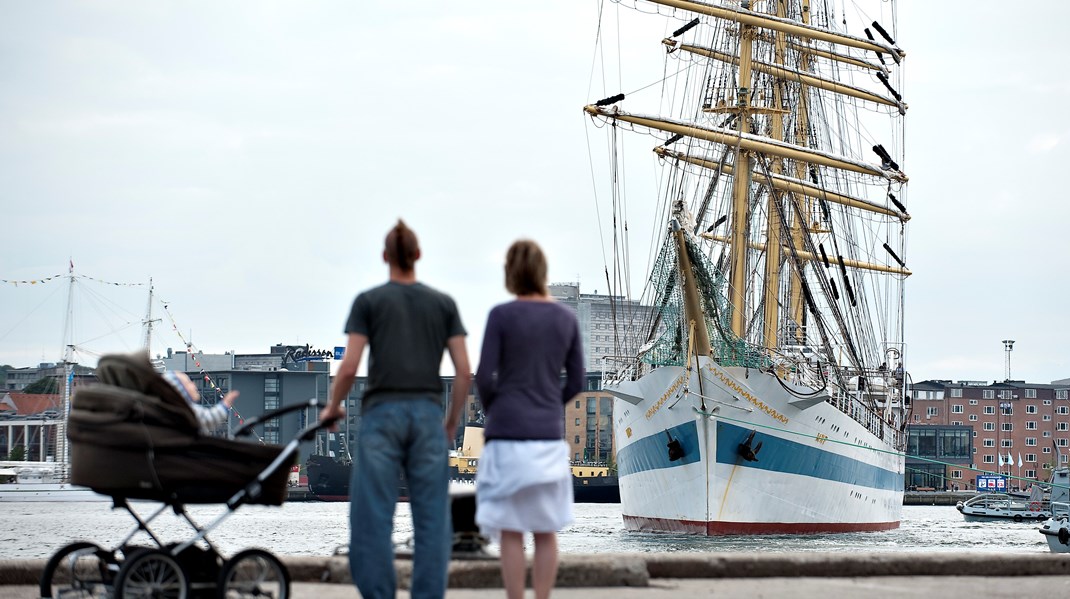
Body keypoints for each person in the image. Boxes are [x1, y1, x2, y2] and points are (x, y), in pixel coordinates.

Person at [319, 219, 470, 599]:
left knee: (371, 519)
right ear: (418, 256)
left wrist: (333, 407)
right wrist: (451, 422)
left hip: (382, 414)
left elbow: (350, 366)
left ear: (385, 257)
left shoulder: (368, 302)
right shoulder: (443, 304)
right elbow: (465, 370)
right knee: (433, 521)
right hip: (427, 416)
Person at [474, 240, 585, 599]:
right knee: (545, 529)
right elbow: (579, 380)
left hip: (506, 436)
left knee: (510, 530)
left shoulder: (501, 316)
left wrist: (498, 410)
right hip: (546, 437)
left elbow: (483, 375)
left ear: (510, 272)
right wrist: (552, 404)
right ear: (542, 272)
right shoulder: (565, 319)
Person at [161, 370, 238, 434]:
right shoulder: (185, 411)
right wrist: (225, 404)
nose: (194, 384)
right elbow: (209, 418)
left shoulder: (169, 409)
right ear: (179, 390)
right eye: (189, 382)